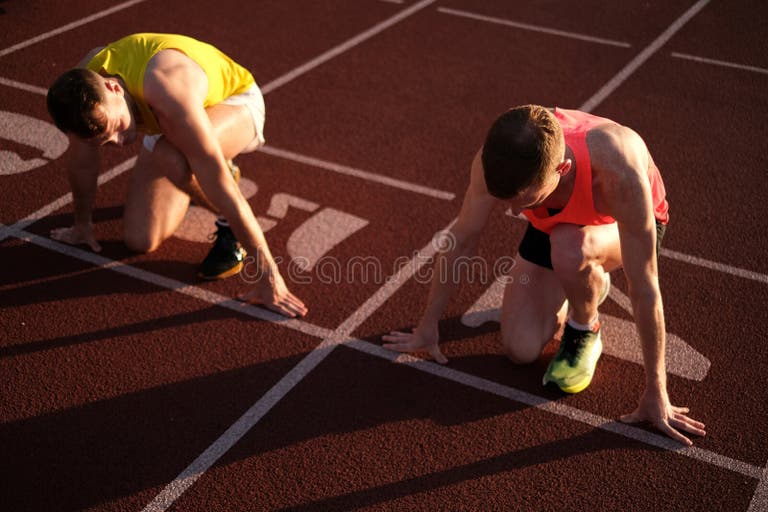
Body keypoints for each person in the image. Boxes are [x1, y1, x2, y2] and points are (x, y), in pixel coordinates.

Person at [383, 105, 706, 445]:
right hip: (555, 223)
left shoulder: (618, 173)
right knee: (519, 350)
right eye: (508, 201)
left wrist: (657, 392)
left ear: (562, 169)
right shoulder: (496, 159)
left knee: (571, 248)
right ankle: (582, 279)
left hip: (614, 226)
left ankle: (586, 324)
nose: (514, 211)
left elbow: (644, 286)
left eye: (523, 201)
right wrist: (428, 325)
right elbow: (462, 240)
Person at [46, 33, 307, 318]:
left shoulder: (167, 90)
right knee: (140, 240)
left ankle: (228, 221)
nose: (120, 143)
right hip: (164, 126)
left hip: (236, 104)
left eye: (118, 128)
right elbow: (83, 163)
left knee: (177, 159)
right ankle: (179, 155)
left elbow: (223, 189)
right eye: (106, 141)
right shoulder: (80, 96)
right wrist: (82, 224)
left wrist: (270, 280)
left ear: (114, 87)